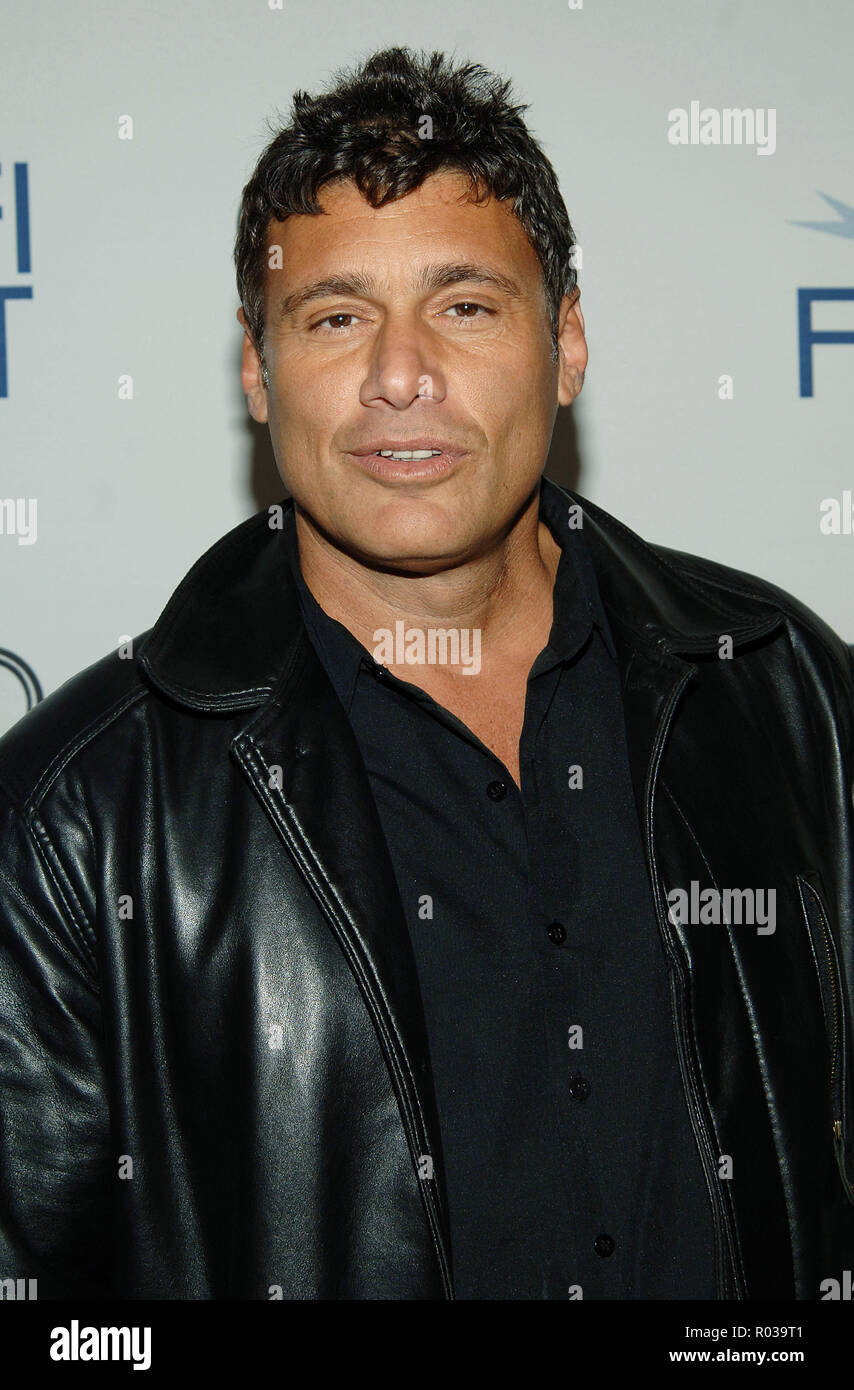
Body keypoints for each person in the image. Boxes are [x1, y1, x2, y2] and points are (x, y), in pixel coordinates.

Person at [0, 45, 852, 1302]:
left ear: (565, 342)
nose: (400, 376)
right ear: (257, 369)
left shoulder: (784, 690)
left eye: (464, 306)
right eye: (335, 317)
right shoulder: (74, 817)